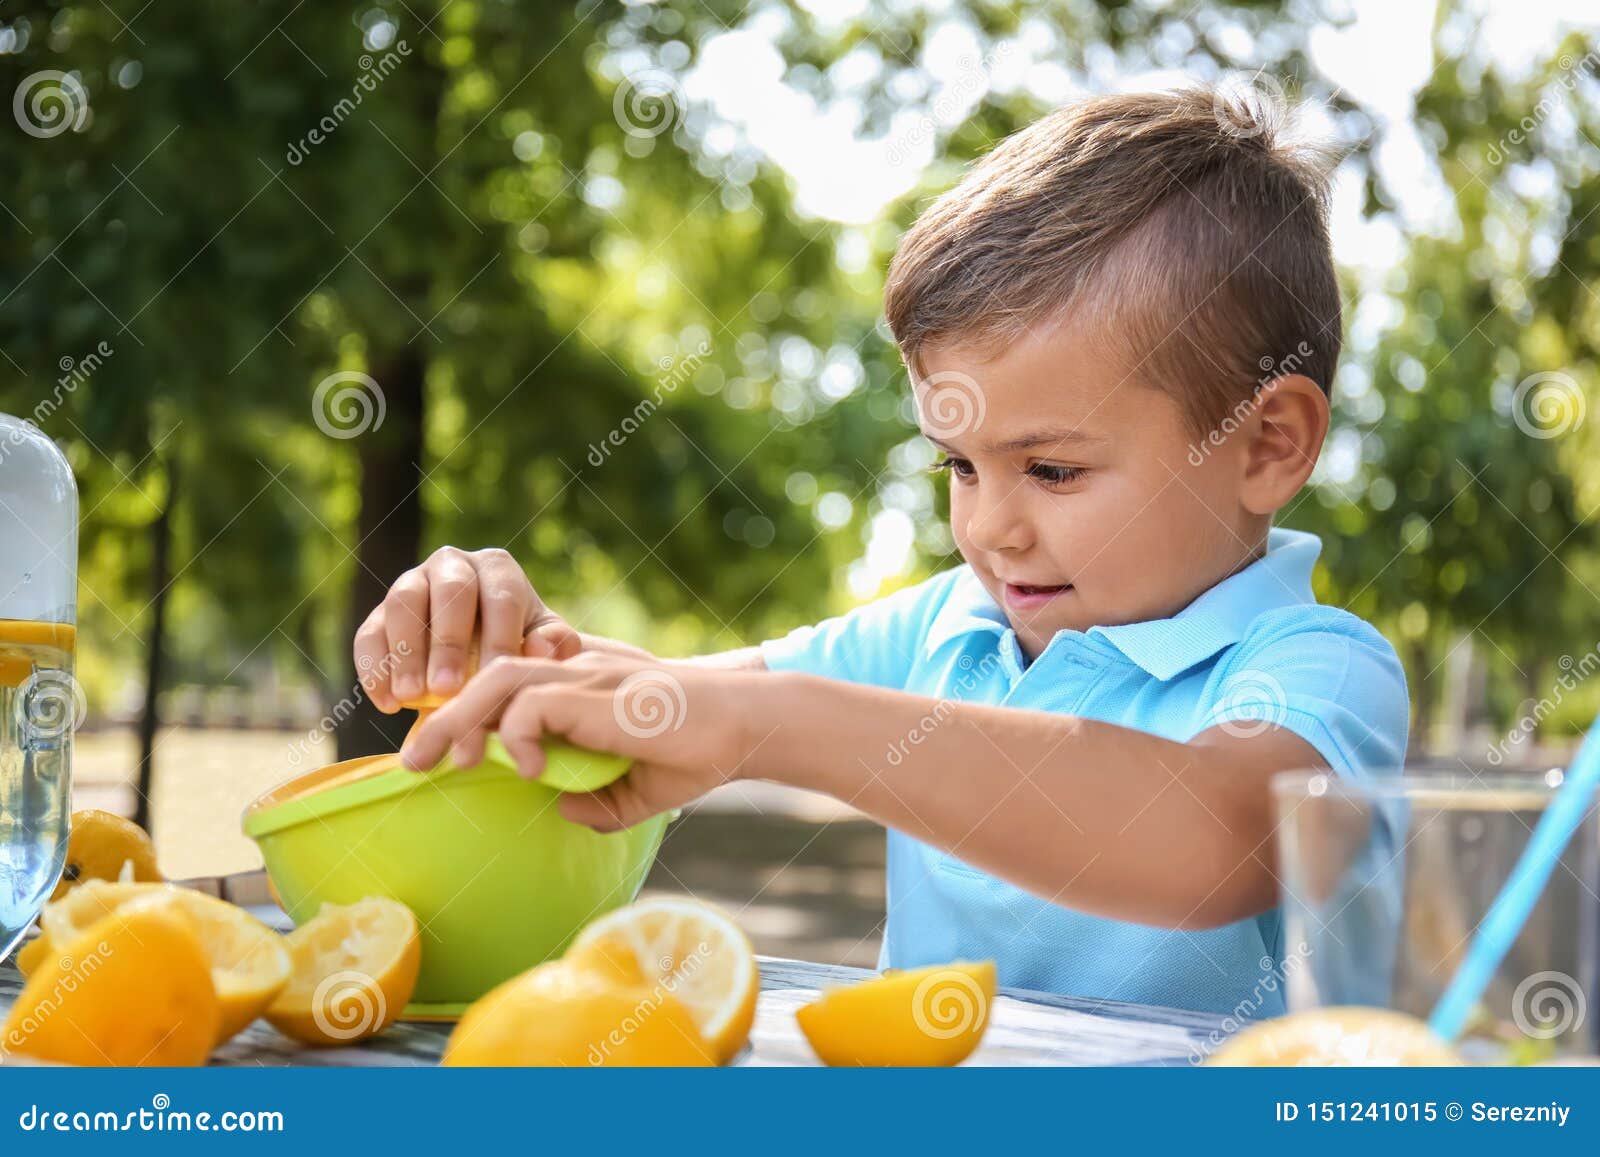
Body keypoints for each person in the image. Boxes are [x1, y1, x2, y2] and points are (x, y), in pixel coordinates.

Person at [355, 87, 1408, 1017]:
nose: (989, 526)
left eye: (1050, 470)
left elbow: (1211, 837)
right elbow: (665, 709)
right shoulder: (943, 628)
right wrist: (522, 661)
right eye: (958, 464)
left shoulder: (1318, 666)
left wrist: (774, 722)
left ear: (1265, 444)